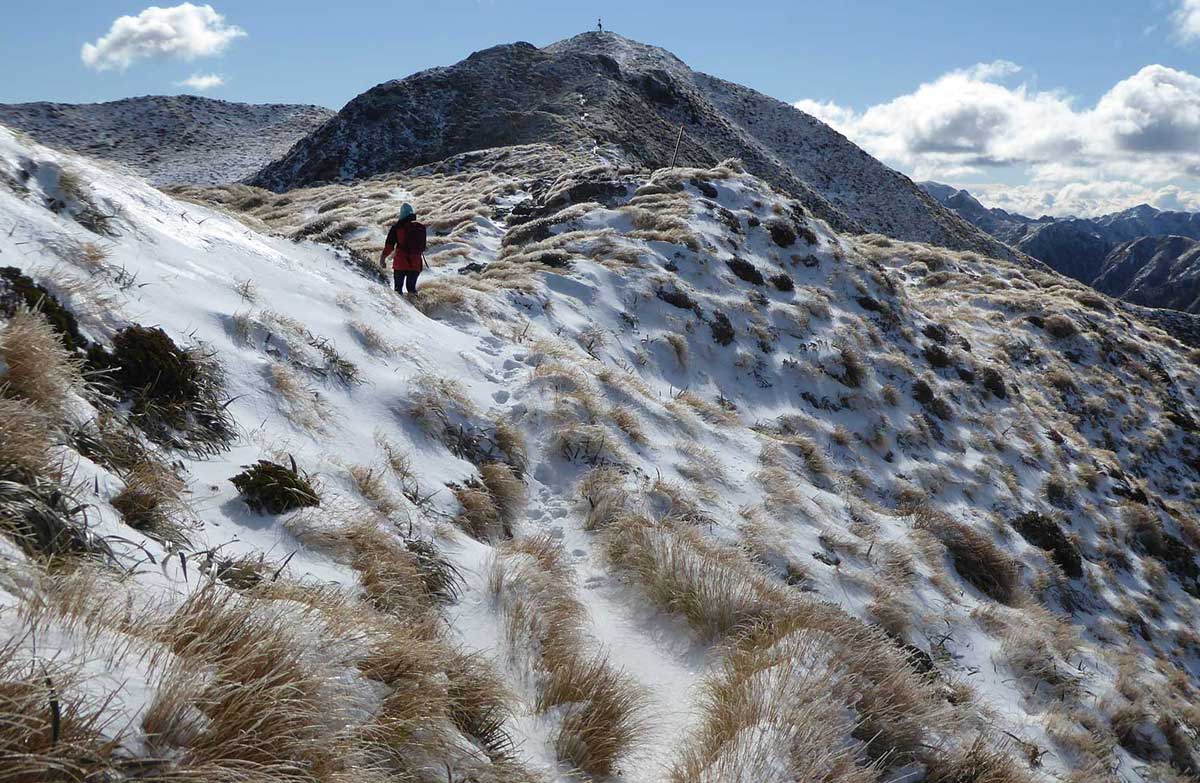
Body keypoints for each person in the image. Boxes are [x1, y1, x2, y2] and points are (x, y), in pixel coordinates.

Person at [380, 203, 427, 297]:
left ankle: (398, 306)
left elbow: (389, 246)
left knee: (398, 290)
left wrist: (383, 258)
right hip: (415, 263)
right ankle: (415, 305)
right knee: (411, 289)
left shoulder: (397, 227)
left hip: (400, 263)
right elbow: (423, 247)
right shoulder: (420, 227)